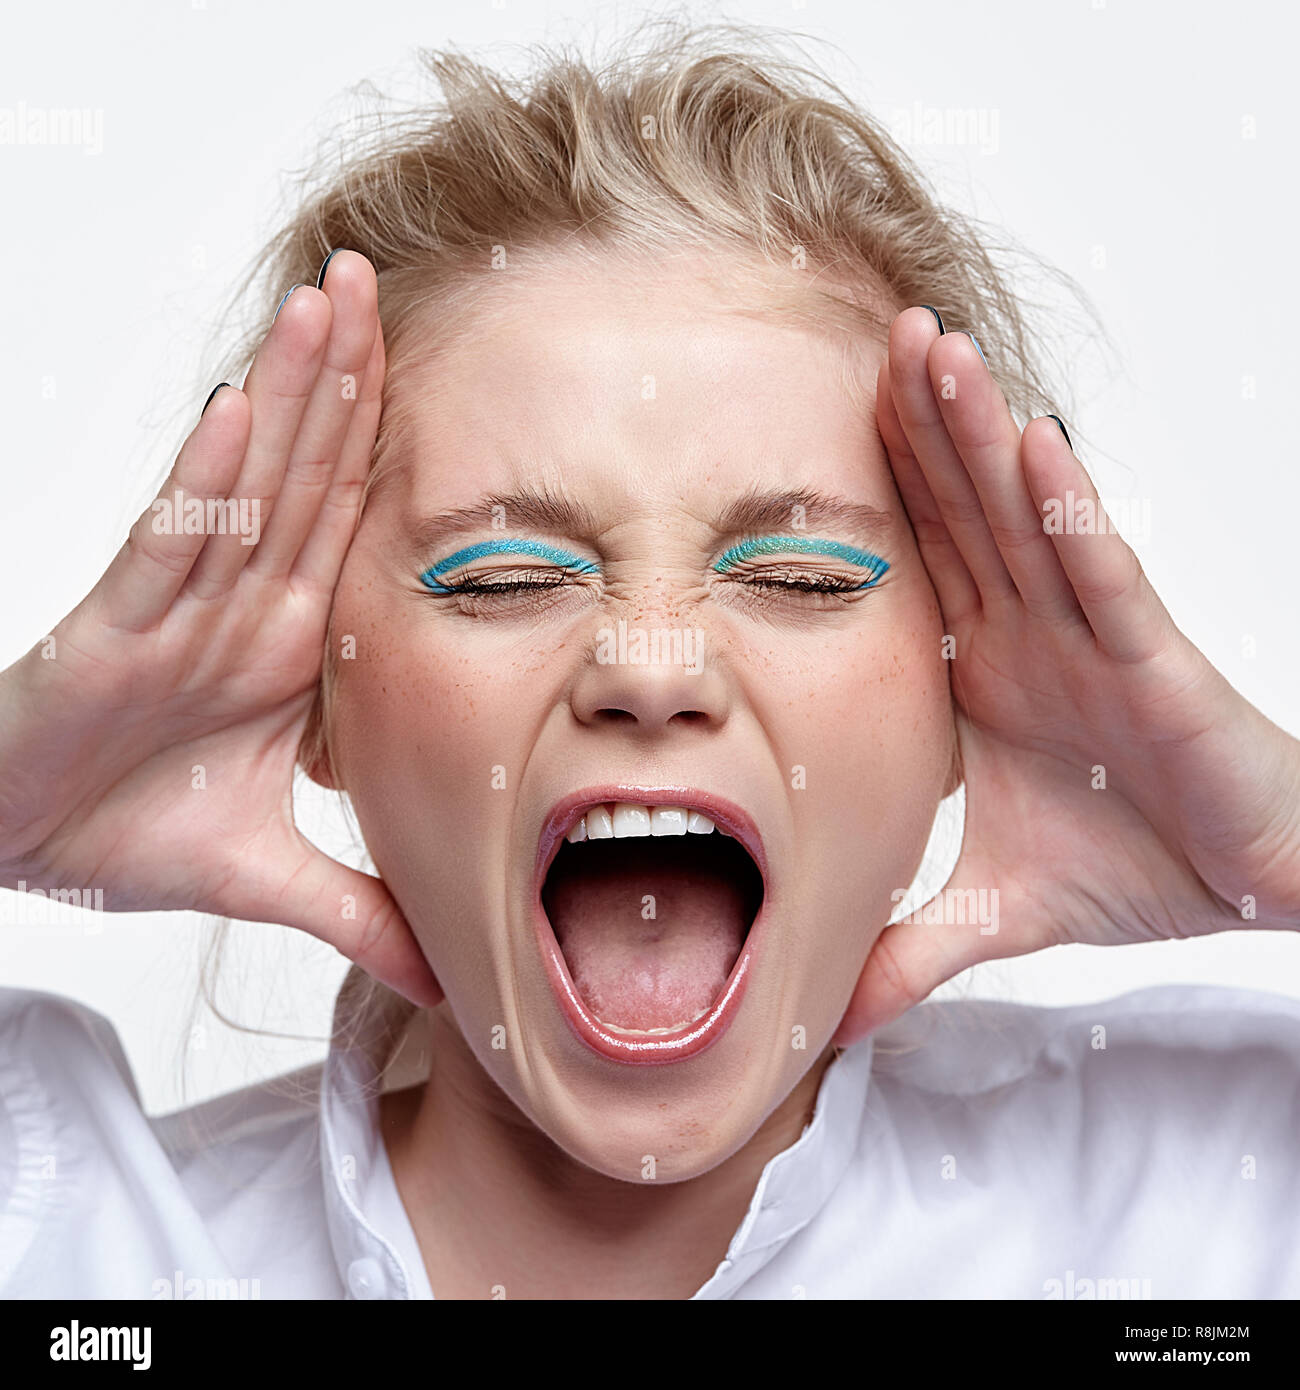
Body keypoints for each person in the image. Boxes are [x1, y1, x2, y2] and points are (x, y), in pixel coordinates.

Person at [2, 22, 1298, 1300]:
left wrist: (1282, 846)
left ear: (966, 692)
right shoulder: (61, 1237)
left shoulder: (1217, 1190)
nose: (652, 661)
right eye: (506, 577)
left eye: (801, 575)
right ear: (317, 700)